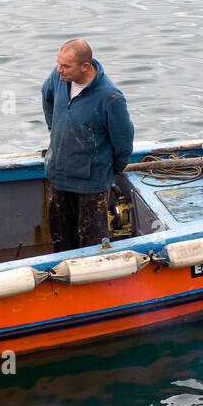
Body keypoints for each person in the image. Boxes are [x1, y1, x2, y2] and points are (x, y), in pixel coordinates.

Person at [41, 39, 135, 252]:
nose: (59, 70)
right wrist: (53, 129)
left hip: (91, 183)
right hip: (59, 173)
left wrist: (113, 169)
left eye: (65, 66)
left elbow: (123, 141)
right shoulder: (58, 79)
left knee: (91, 243)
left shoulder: (110, 98)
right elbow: (46, 96)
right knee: (60, 239)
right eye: (58, 64)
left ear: (85, 66)